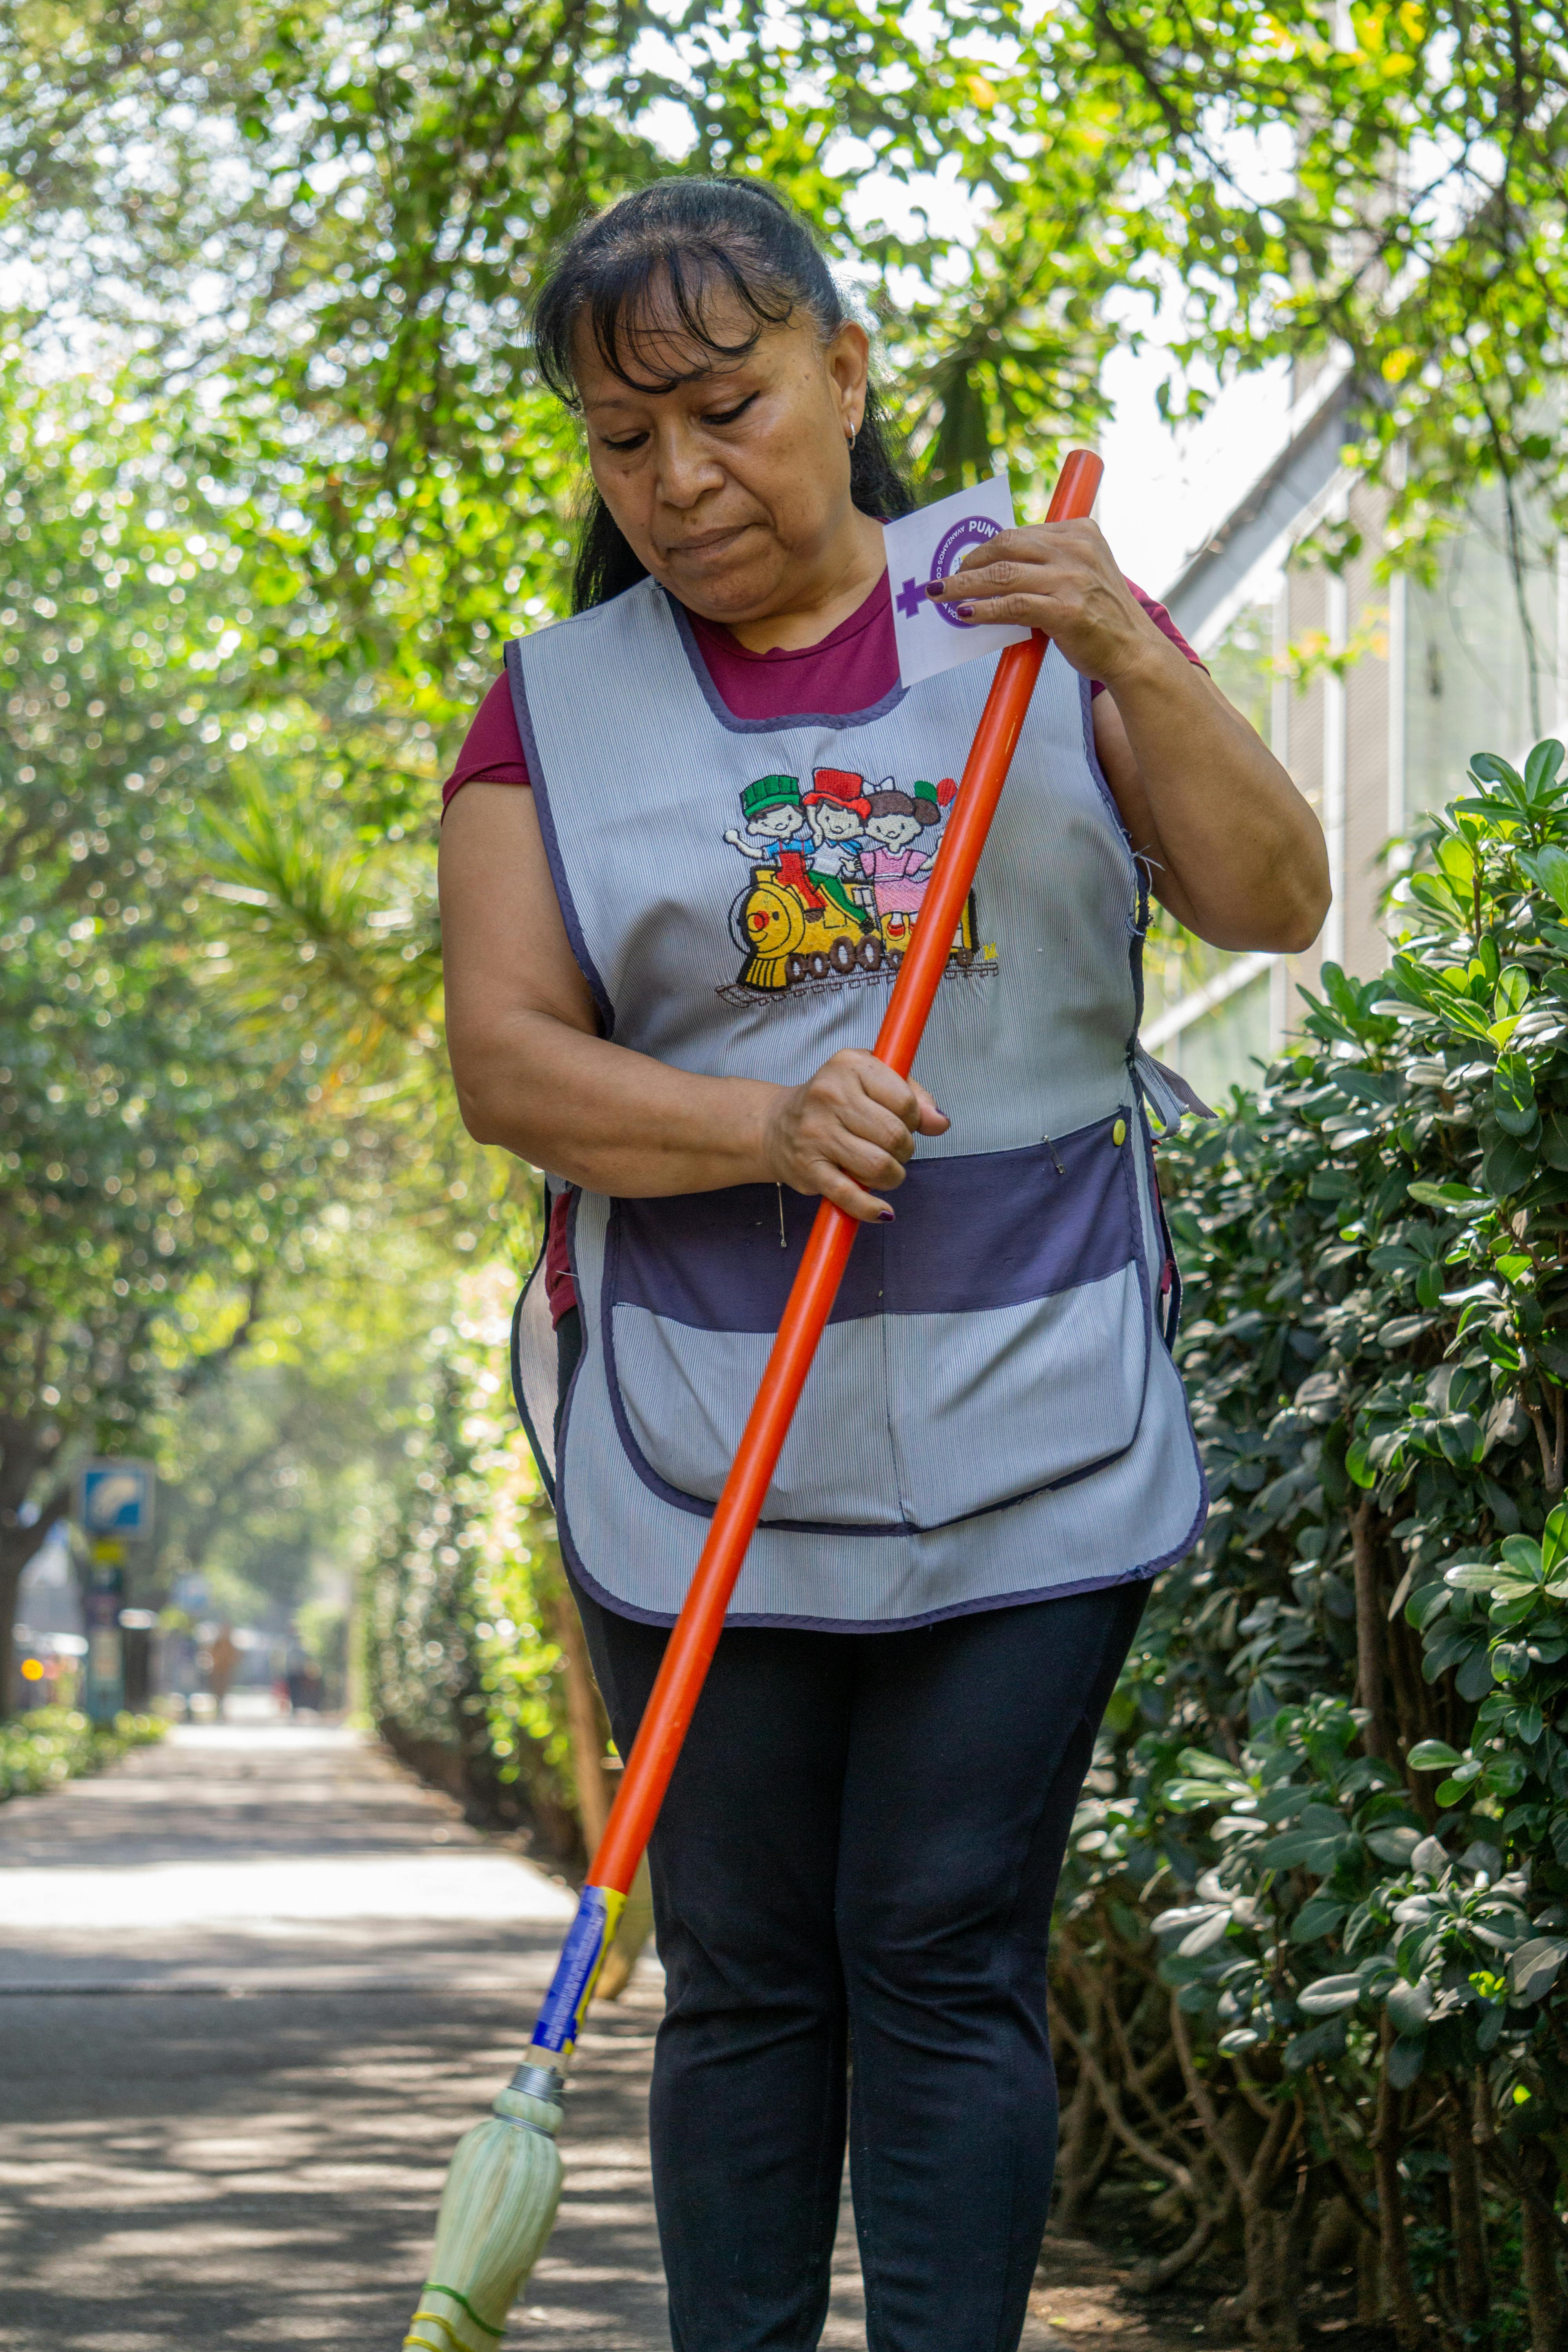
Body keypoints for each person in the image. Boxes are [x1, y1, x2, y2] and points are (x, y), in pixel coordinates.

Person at [439, 178, 1328, 2352]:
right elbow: (508, 1063)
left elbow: (1274, 899)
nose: (678, 478)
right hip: (698, 1422)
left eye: (724, 408)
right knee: (750, 1970)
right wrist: (760, 1119)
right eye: (620, 439)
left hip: (1041, 1412)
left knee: (941, 1941)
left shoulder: (1036, 608)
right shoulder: (549, 710)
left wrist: (1133, 653)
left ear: (847, 372)